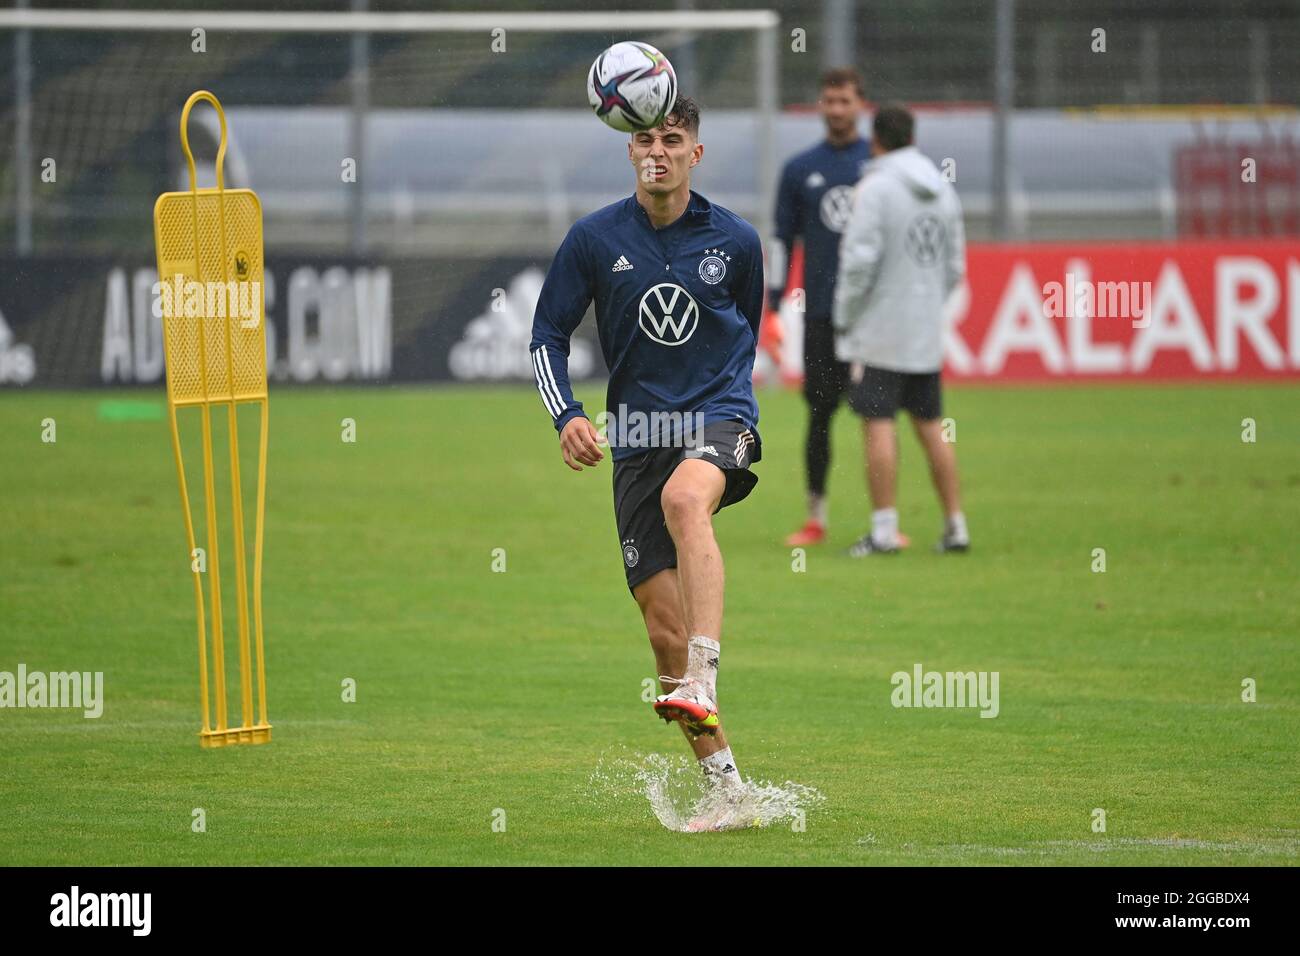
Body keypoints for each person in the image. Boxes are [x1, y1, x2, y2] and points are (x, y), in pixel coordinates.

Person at [528, 95, 765, 830]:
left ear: (696, 154)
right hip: (634, 437)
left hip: (720, 418)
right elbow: (546, 333)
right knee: (660, 633)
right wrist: (566, 413)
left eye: (672, 138)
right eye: (644, 140)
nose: (656, 150)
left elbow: (748, 324)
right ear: (628, 151)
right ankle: (727, 788)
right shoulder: (594, 239)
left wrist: (717, 402)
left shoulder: (738, 239)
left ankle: (706, 672)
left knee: (687, 500)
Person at [772, 69, 909, 548]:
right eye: (828, 100)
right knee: (820, 415)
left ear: (861, 104)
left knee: (880, 417)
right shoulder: (798, 169)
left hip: (873, 317)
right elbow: (780, 242)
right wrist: (771, 307)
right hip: (821, 317)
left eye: (844, 101)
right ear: (819, 104)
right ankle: (816, 517)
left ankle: (885, 522)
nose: (835, 109)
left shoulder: (882, 167)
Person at [833, 104, 970, 555]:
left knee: (878, 423)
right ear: (912, 137)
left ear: (876, 139)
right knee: (932, 426)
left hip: (880, 330)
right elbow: (954, 267)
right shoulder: (943, 190)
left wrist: (846, 315)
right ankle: (955, 525)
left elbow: (858, 263)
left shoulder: (875, 189)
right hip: (924, 331)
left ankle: (885, 529)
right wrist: (928, 304)